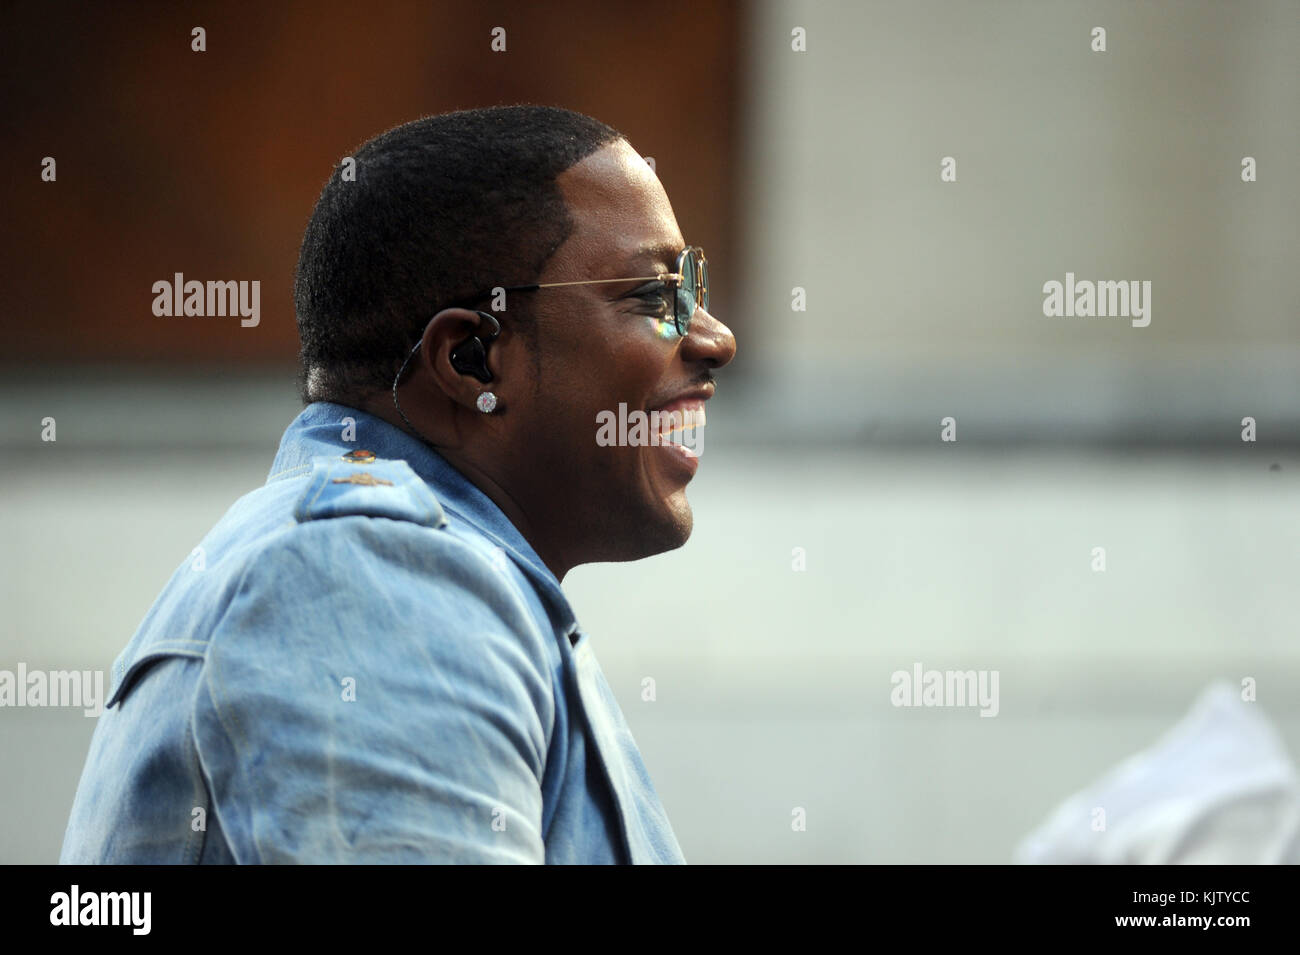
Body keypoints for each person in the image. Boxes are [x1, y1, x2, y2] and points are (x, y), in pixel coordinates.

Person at [59, 105, 737, 864]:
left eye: (695, 287)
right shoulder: (366, 571)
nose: (716, 338)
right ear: (472, 361)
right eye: (655, 296)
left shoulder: (402, 568)